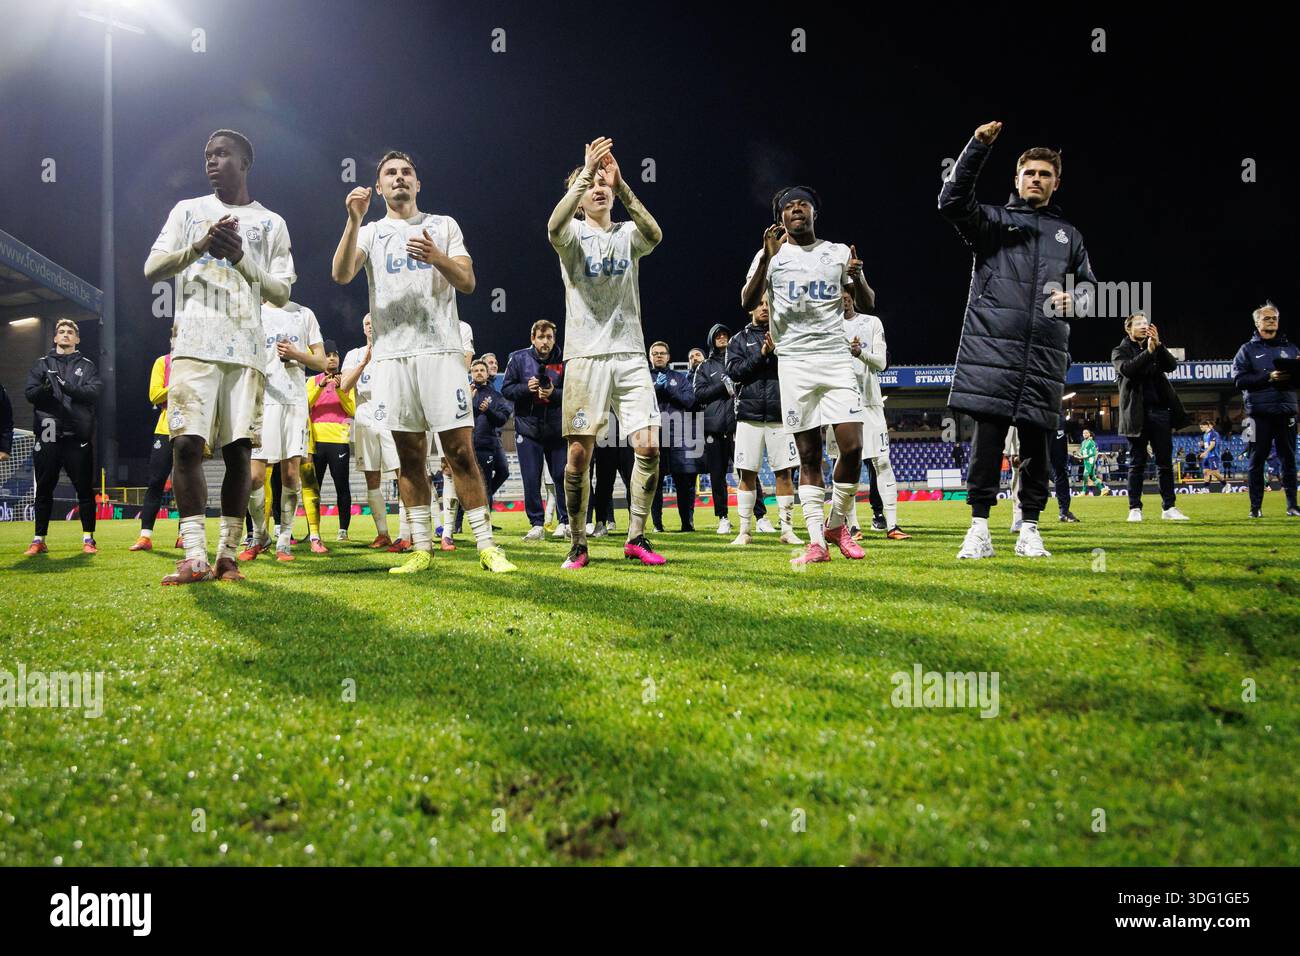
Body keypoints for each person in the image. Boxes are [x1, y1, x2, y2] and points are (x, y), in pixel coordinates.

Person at [332, 149, 515, 573]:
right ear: (378, 188)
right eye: (390, 174)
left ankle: (487, 547)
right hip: (392, 357)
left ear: (418, 183)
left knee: (459, 452)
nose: (399, 178)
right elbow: (341, 274)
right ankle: (421, 548)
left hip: (440, 352)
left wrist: (437, 257)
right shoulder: (372, 231)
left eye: (407, 173)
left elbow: (468, 282)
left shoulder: (443, 226)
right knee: (410, 456)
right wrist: (353, 219)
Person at [939, 121, 1096, 560]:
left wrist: (1078, 299)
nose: (1036, 179)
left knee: (1036, 450)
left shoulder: (1070, 237)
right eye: (1030, 172)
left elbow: (1091, 291)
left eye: (1045, 174)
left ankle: (1030, 528)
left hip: (1045, 356)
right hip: (993, 351)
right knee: (987, 444)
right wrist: (975, 147)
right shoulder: (993, 221)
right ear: (1016, 178)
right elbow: (950, 201)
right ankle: (978, 530)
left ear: (1055, 183)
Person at [143, 128, 295, 584]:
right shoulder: (188, 211)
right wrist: (199, 247)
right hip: (193, 343)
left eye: (222, 153)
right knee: (186, 444)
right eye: (207, 154)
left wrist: (242, 259)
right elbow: (152, 268)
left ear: (245, 162)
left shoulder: (271, 223)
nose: (211, 161)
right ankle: (193, 554)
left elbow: (283, 293)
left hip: (246, 349)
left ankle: (227, 556)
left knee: (238, 453)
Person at [547, 136, 665, 570]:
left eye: (604, 183)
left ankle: (636, 536)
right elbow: (552, 227)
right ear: (580, 196)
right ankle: (578, 542)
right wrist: (583, 173)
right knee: (579, 455)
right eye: (590, 183)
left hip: (630, 353)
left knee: (649, 445)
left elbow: (655, 233)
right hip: (584, 358)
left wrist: (624, 184)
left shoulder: (627, 235)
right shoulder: (573, 233)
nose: (599, 188)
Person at [740, 186, 873, 565]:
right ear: (780, 219)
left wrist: (858, 277)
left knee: (852, 446)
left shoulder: (837, 252)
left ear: (815, 212)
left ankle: (835, 523)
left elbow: (866, 303)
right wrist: (767, 259)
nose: (795, 209)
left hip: (833, 356)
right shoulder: (771, 256)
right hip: (795, 361)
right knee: (809, 454)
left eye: (803, 204)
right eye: (787, 207)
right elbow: (748, 302)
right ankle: (817, 541)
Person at [236, 300, 325, 560]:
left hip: (294, 401)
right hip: (262, 401)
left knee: (290, 475)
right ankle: (260, 535)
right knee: (253, 477)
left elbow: (320, 361)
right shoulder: (254, 312)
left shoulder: (304, 312)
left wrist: (297, 354)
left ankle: (284, 541)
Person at [22, 318, 101, 555]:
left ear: (77, 339)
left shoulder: (87, 366)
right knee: (44, 488)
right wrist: (46, 389)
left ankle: (88, 539)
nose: (65, 335)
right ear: (55, 338)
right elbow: (30, 394)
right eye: (61, 331)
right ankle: (39, 540)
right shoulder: (41, 365)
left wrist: (66, 386)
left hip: (77, 435)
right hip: (48, 433)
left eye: (70, 332)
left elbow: (94, 392)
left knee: (85, 490)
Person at [839, 280, 910, 540]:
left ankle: (892, 525)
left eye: (848, 293)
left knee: (882, 461)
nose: (844, 297)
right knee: (846, 465)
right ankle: (853, 527)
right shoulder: (827, 327)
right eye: (839, 293)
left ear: (854, 296)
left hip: (870, 402)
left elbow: (880, 363)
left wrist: (860, 354)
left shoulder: (872, 323)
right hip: (840, 405)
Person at [693, 322, 774, 535]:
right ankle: (723, 518)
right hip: (714, 429)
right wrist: (723, 386)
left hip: (739, 424)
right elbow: (698, 394)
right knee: (717, 477)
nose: (721, 337)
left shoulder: (739, 358)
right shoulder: (705, 366)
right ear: (711, 339)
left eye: (724, 334)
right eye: (717, 335)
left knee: (748, 472)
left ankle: (761, 517)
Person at [1113, 312, 1190, 521]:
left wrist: (1159, 346)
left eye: (1146, 323)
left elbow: (1172, 366)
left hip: (1159, 412)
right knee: (1137, 463)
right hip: (1136, 414)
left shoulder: (1156, 348)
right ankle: (1135, 508)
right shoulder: (1119, 351)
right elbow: (1128, 369)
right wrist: (1147, 352)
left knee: (1164, 463)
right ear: (1128, 329)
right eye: (1139, 324)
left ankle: (1169, 508)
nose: (1143, 326)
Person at [502, 319, 569, 541]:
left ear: (554, 338)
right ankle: (537, 524)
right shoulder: (518, 358)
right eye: (541, 337)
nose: (545, 341)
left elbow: (573, 391)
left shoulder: (565, 359)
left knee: (561, 476)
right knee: (531, 478)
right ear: (533, 338)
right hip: (528, 428)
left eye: (549, 337)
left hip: (557, 428)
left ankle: (565, 522)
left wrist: (554, 394)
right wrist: (525, 388)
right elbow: (507, 390)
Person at [1231, 301, 1299, 517]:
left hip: (1286, 411)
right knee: (1255, 461)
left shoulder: (1291, 348)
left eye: (1275, 318)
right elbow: (1239, 380)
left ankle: (1292, 506)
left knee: (1288, 461)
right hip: (1257, 415)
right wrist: (1268, 377)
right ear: (1257, 322)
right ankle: (1255, 508)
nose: (1272, 321)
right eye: (1267, 318)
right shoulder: (1247, 350)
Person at [343, 314, 398, 548]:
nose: (370, 326)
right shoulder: (353, 354)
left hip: (392, 413)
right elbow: (344, 386)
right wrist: (363, 362)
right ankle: (383, 533)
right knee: (372, 476)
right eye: (366, 323)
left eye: (374, 321)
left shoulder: (393, 350)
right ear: (363, 328)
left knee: (401, 472)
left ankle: (408, 533)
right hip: (365, 414)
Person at [130, 353, 181, 551]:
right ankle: (145, 537)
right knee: (156, 482)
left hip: (193, 427)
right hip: (165, 427)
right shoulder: (163, 361)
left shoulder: (198, 362)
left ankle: (184, 535)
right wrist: (179, 386)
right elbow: (154, 395)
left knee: (187, 485)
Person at [309, 340, 359, 544]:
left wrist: (339, 389)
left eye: (335, 355)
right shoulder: (312, 381)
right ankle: (314, 533)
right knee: (314, 488)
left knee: (342, 487)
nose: (331, 358)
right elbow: (305, 404)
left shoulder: (347, 382)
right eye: (327, 355)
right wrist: (321, 386)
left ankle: (343, 530)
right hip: (316, 442)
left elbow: (352, 410)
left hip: (338, 441)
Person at [647, 341, 699, 532]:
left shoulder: (681, 377)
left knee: (683, 482)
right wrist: (656, 390)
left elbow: (689, 400)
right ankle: (657, 525)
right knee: (655, 482)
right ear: (650, 357)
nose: (659, 356)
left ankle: (687, 523)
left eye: (662, 353)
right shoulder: (643, 378)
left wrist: (668, 389)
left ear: (668, 357)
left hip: (678, 436)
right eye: (655, 353)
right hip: (654, 436)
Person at [469, 358, 513, 514]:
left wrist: (488, 410)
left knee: (487, 483)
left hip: (485, 444)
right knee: (463, 483)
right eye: (476, 371)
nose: (479, 373)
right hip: (466, 444)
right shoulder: (465, 393)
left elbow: (502, 419)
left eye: (482, 370)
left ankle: (484, 521)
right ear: (471, 373)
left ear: (487, 374)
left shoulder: (495, 395)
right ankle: (457, 523)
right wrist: (468, 400)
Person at [1048, 408, 1080, 521]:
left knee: (1060, 470)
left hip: (1056, 420)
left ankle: (1064, 511)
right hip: (1036, 417)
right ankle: (1027, 516)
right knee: (1032, 466)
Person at [1078, 429, 1108, 495]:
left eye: (1086, 433)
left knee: (1085, 475)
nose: (1084, 434)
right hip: (1086, 461)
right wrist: (1080, 456)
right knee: (1092, 477)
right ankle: (1103, 489)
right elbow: (1081, 451)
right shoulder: (1083, 442)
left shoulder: (1092, 442)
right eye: (1083, 433)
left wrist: (1085, 457)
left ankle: (1083, 492)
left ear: (1089, 434)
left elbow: (1094, 453)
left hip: (1090, 461)